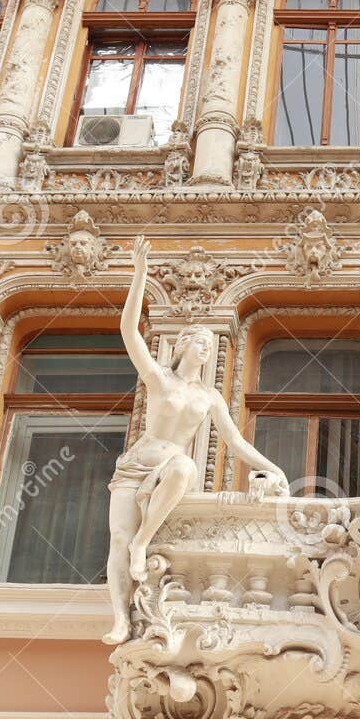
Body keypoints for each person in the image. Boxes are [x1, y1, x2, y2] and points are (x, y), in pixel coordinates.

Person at [105, 237, 288, 644]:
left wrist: (271, 467)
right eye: (199, 341)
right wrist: (140, 275)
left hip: (171, 469)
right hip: (136, 466)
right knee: (116, 537)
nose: (205, 347)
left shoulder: (209, 398)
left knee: (186, 467)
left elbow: (236, 442)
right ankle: (120, 618)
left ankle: (143, 541)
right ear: (183, 345)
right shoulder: (158, 379)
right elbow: (128, 329)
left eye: (210, 344)